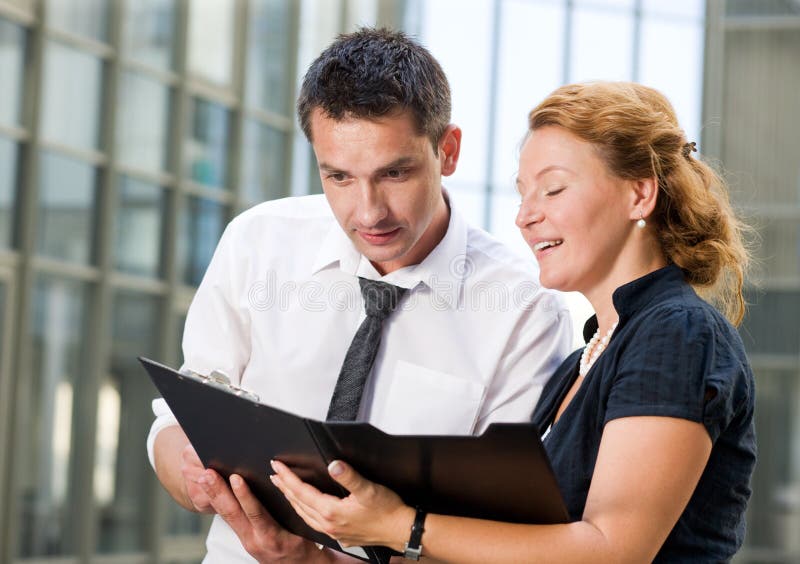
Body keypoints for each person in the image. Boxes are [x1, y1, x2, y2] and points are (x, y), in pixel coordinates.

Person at [268, 81, 757, 562]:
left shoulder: (677, 333)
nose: (525, 216)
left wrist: (401, 526)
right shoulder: (582, 361)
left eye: (554, 189)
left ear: (639, 195)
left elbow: (613, 551)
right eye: (523, 194)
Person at [146, 28, 573, 563]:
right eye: (339, 177)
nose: (369, 212)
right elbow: (173, 425)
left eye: (394, 173)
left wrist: (311, 560)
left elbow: (500, 537)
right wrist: (193, 476)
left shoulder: (525, 310)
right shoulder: (258, 242)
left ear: (449, 149)